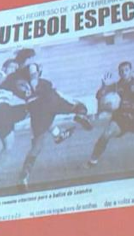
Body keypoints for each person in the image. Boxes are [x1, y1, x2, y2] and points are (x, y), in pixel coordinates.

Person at [14, 61, 91, 189]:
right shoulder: (40, 80)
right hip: (50, 98)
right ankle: (80, 115)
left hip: (35, 108)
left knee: (37, 146)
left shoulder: (18, 84)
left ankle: (24, 176)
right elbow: (35, 77)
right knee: (80, 106)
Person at [86, 60, 134, 168]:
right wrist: (103, 86)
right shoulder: (116, 86)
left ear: (131, 71)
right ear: (119, 73)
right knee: (106, 134)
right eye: (121, 71)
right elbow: (99, 96)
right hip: (119, 120)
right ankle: (92, 161)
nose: (124, 73)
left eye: (126, 70)